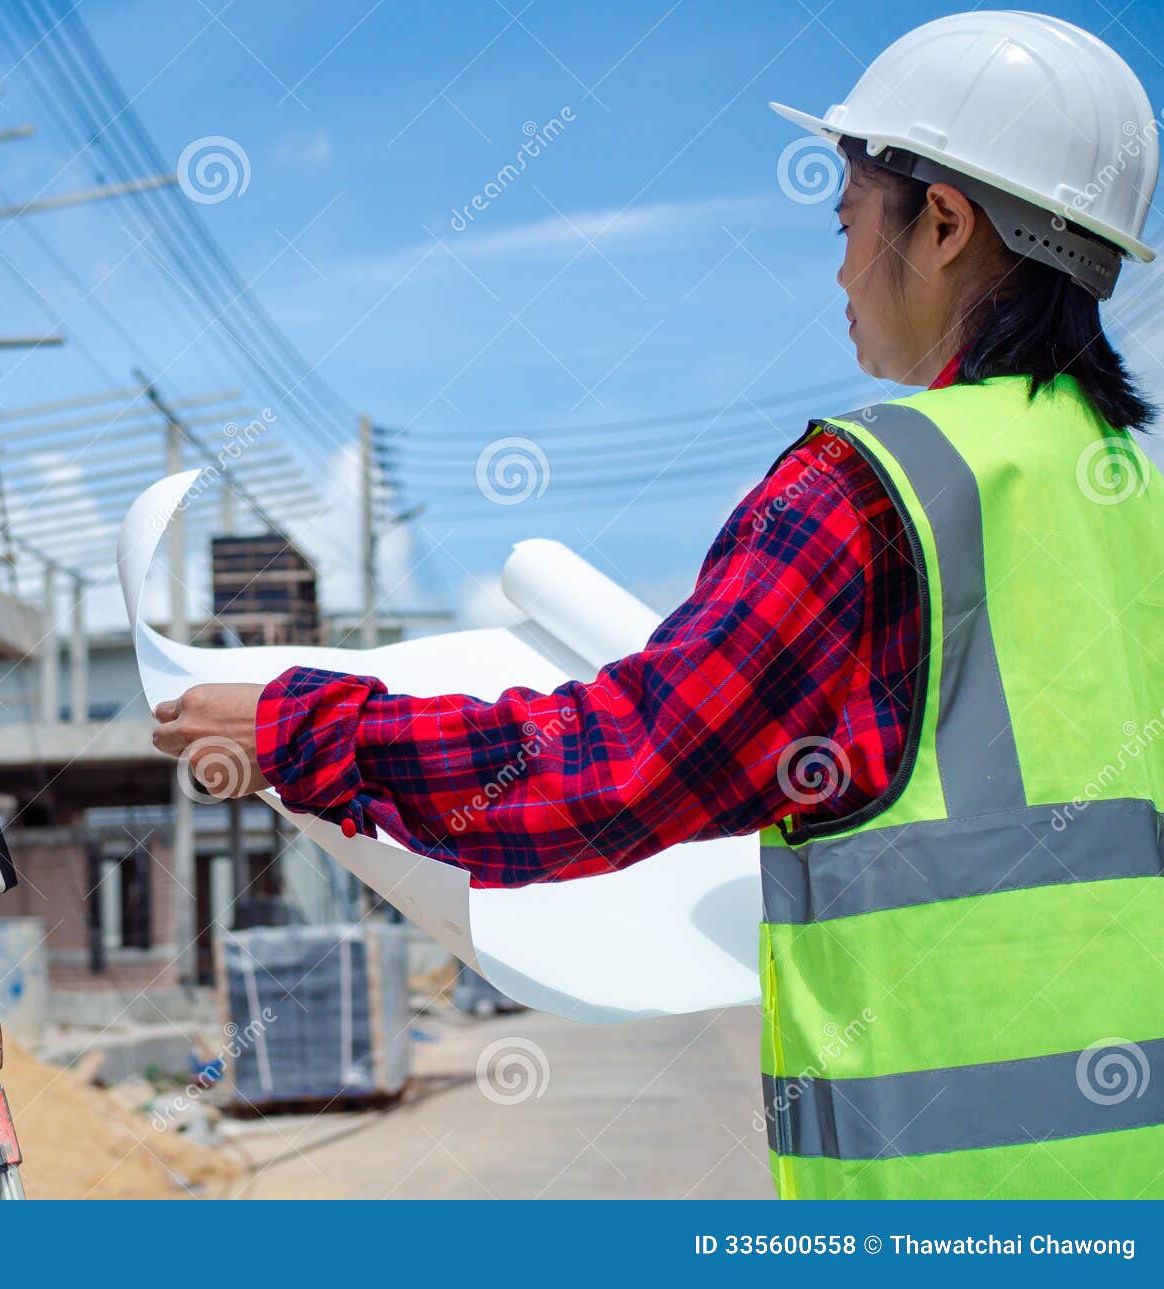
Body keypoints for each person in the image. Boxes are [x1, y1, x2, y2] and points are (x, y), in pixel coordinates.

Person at [152, 12, 1164, 1199]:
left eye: (846, 218)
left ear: (940, 223)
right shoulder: (1133, 499)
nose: (839, 266)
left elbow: (615, 769)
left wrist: (305, 726)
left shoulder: (873, 489)